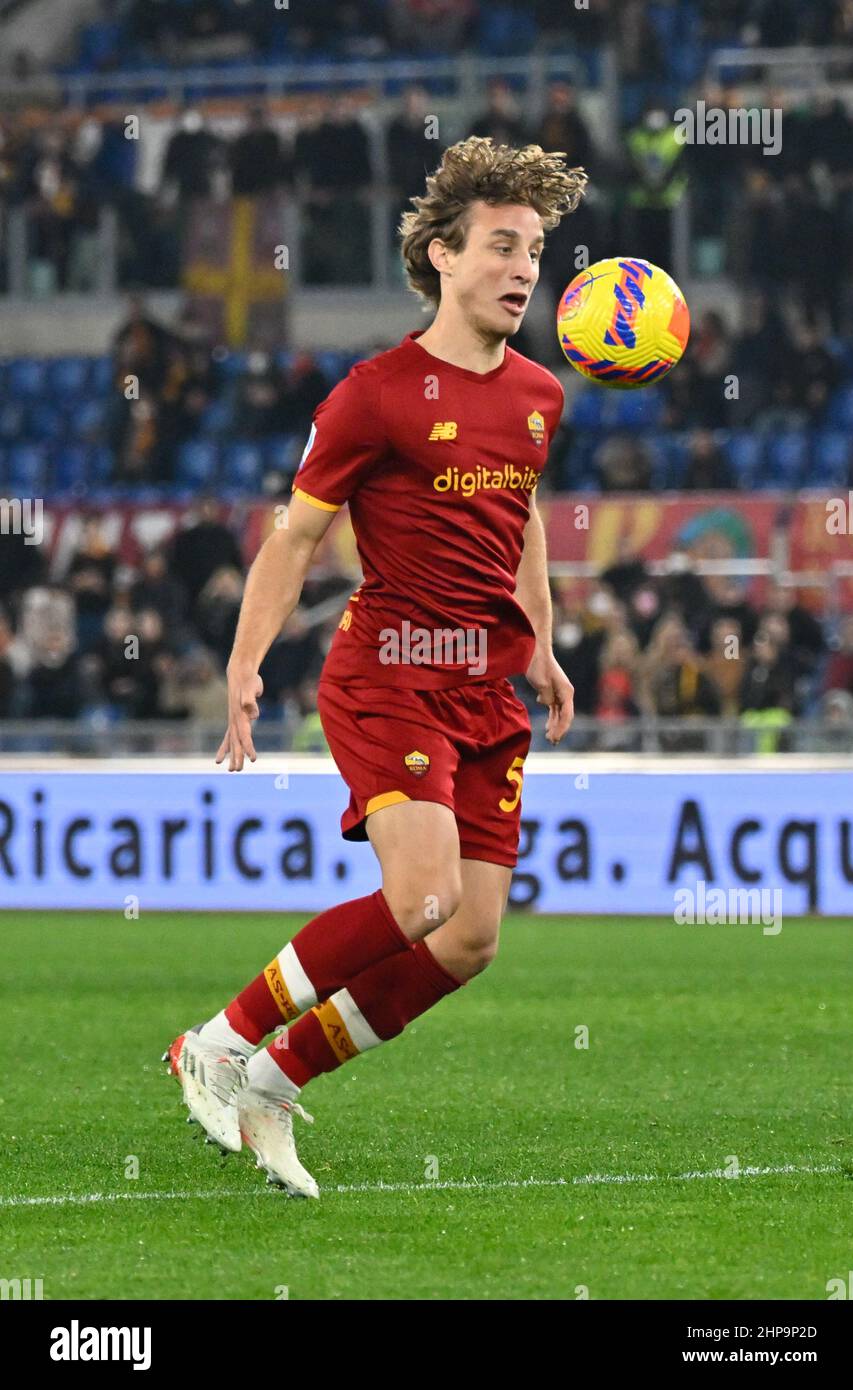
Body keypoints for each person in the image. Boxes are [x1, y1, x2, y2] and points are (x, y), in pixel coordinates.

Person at [165, 136, 587, 1197]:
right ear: (444, 255)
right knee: (422, 898)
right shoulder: (375, 394)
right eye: (502, 246)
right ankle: (218, 1041)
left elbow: (523, 515)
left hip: (485, 687)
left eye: (535, 251)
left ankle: (275, 1081)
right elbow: (295, 538)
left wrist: (542, 642)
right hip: (388, 672)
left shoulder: (540, 393)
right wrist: (246, 662)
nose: (525, 269)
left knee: (471, 938)